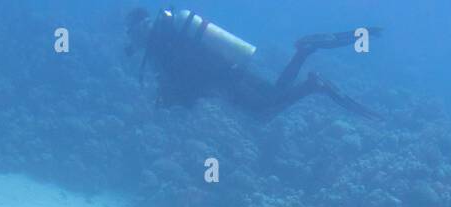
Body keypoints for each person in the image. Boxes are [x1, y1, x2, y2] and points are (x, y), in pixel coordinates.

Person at [125, 8, 381, 119]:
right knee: (272, 96)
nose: (134, 41)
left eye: (132, 34)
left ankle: (313, 79)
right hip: (228, 70)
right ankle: (305, 55)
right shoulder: (170, 35)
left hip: (224, 78)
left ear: (137, 30)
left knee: (262, 110)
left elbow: (184, 82)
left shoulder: (160, 47)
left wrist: (170, 98)